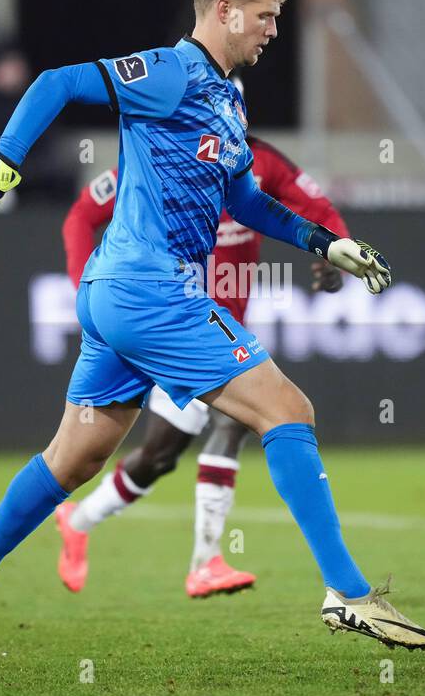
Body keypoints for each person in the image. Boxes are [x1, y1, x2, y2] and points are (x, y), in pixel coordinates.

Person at [0, 0, 425, 674]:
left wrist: (324, 241)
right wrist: (2, 165)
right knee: (287, 410)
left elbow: (247, 202)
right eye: (264, 16)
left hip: (121, 297)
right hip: (151, 289)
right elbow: (57, 82)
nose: (272, 30)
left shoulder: (227, 96)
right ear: (224, 10)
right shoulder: (170, 72)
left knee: (75, 459)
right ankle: (346, 592)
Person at [54, 93, 351, 598]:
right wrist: (87, 282)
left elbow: (317, 207)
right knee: (213, 430)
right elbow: (81, 216)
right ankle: (204, 560)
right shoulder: (157, 158)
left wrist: (333, 248)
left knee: (161, 455)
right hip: (165, 323)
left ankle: (79, 521)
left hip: (216, 332)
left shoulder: (261, 165)